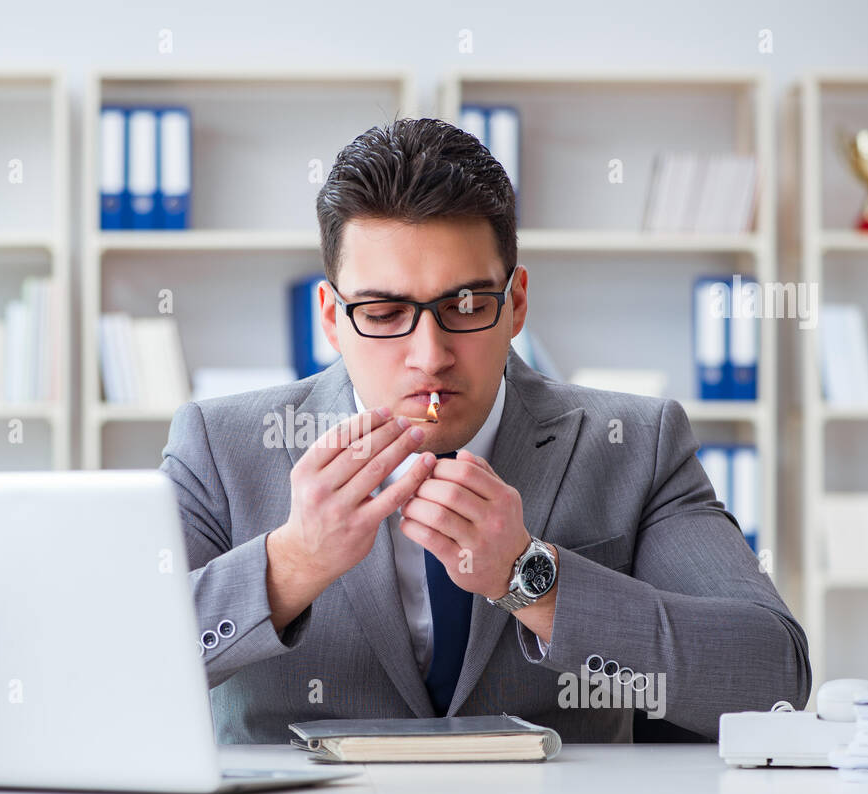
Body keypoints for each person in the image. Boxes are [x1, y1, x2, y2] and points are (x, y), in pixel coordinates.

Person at [159, 117, 810, 745]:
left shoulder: (636, 442)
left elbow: (771, 676)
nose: (429, 354)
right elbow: (113, 666)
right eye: (384, 312)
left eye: (465, 306)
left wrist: (533, 577)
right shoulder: (220, 447)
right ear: (331, 317)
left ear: (517, 302)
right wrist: (292, 563)